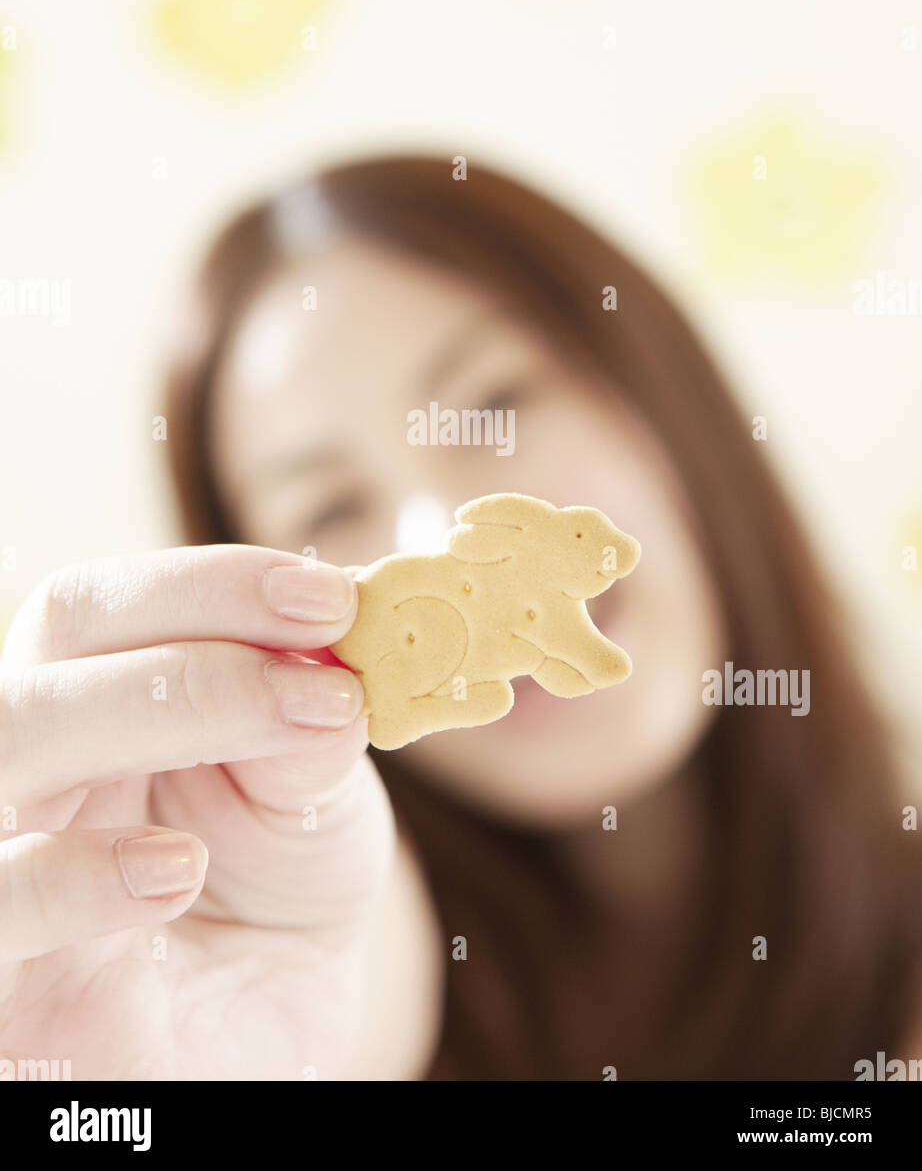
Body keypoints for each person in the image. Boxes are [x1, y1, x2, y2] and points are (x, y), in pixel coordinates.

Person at [2, 155, 920, 1080]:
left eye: (494, 404)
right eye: (326, 510)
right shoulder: (328, 1022)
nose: (440, 537)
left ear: (665, 400)